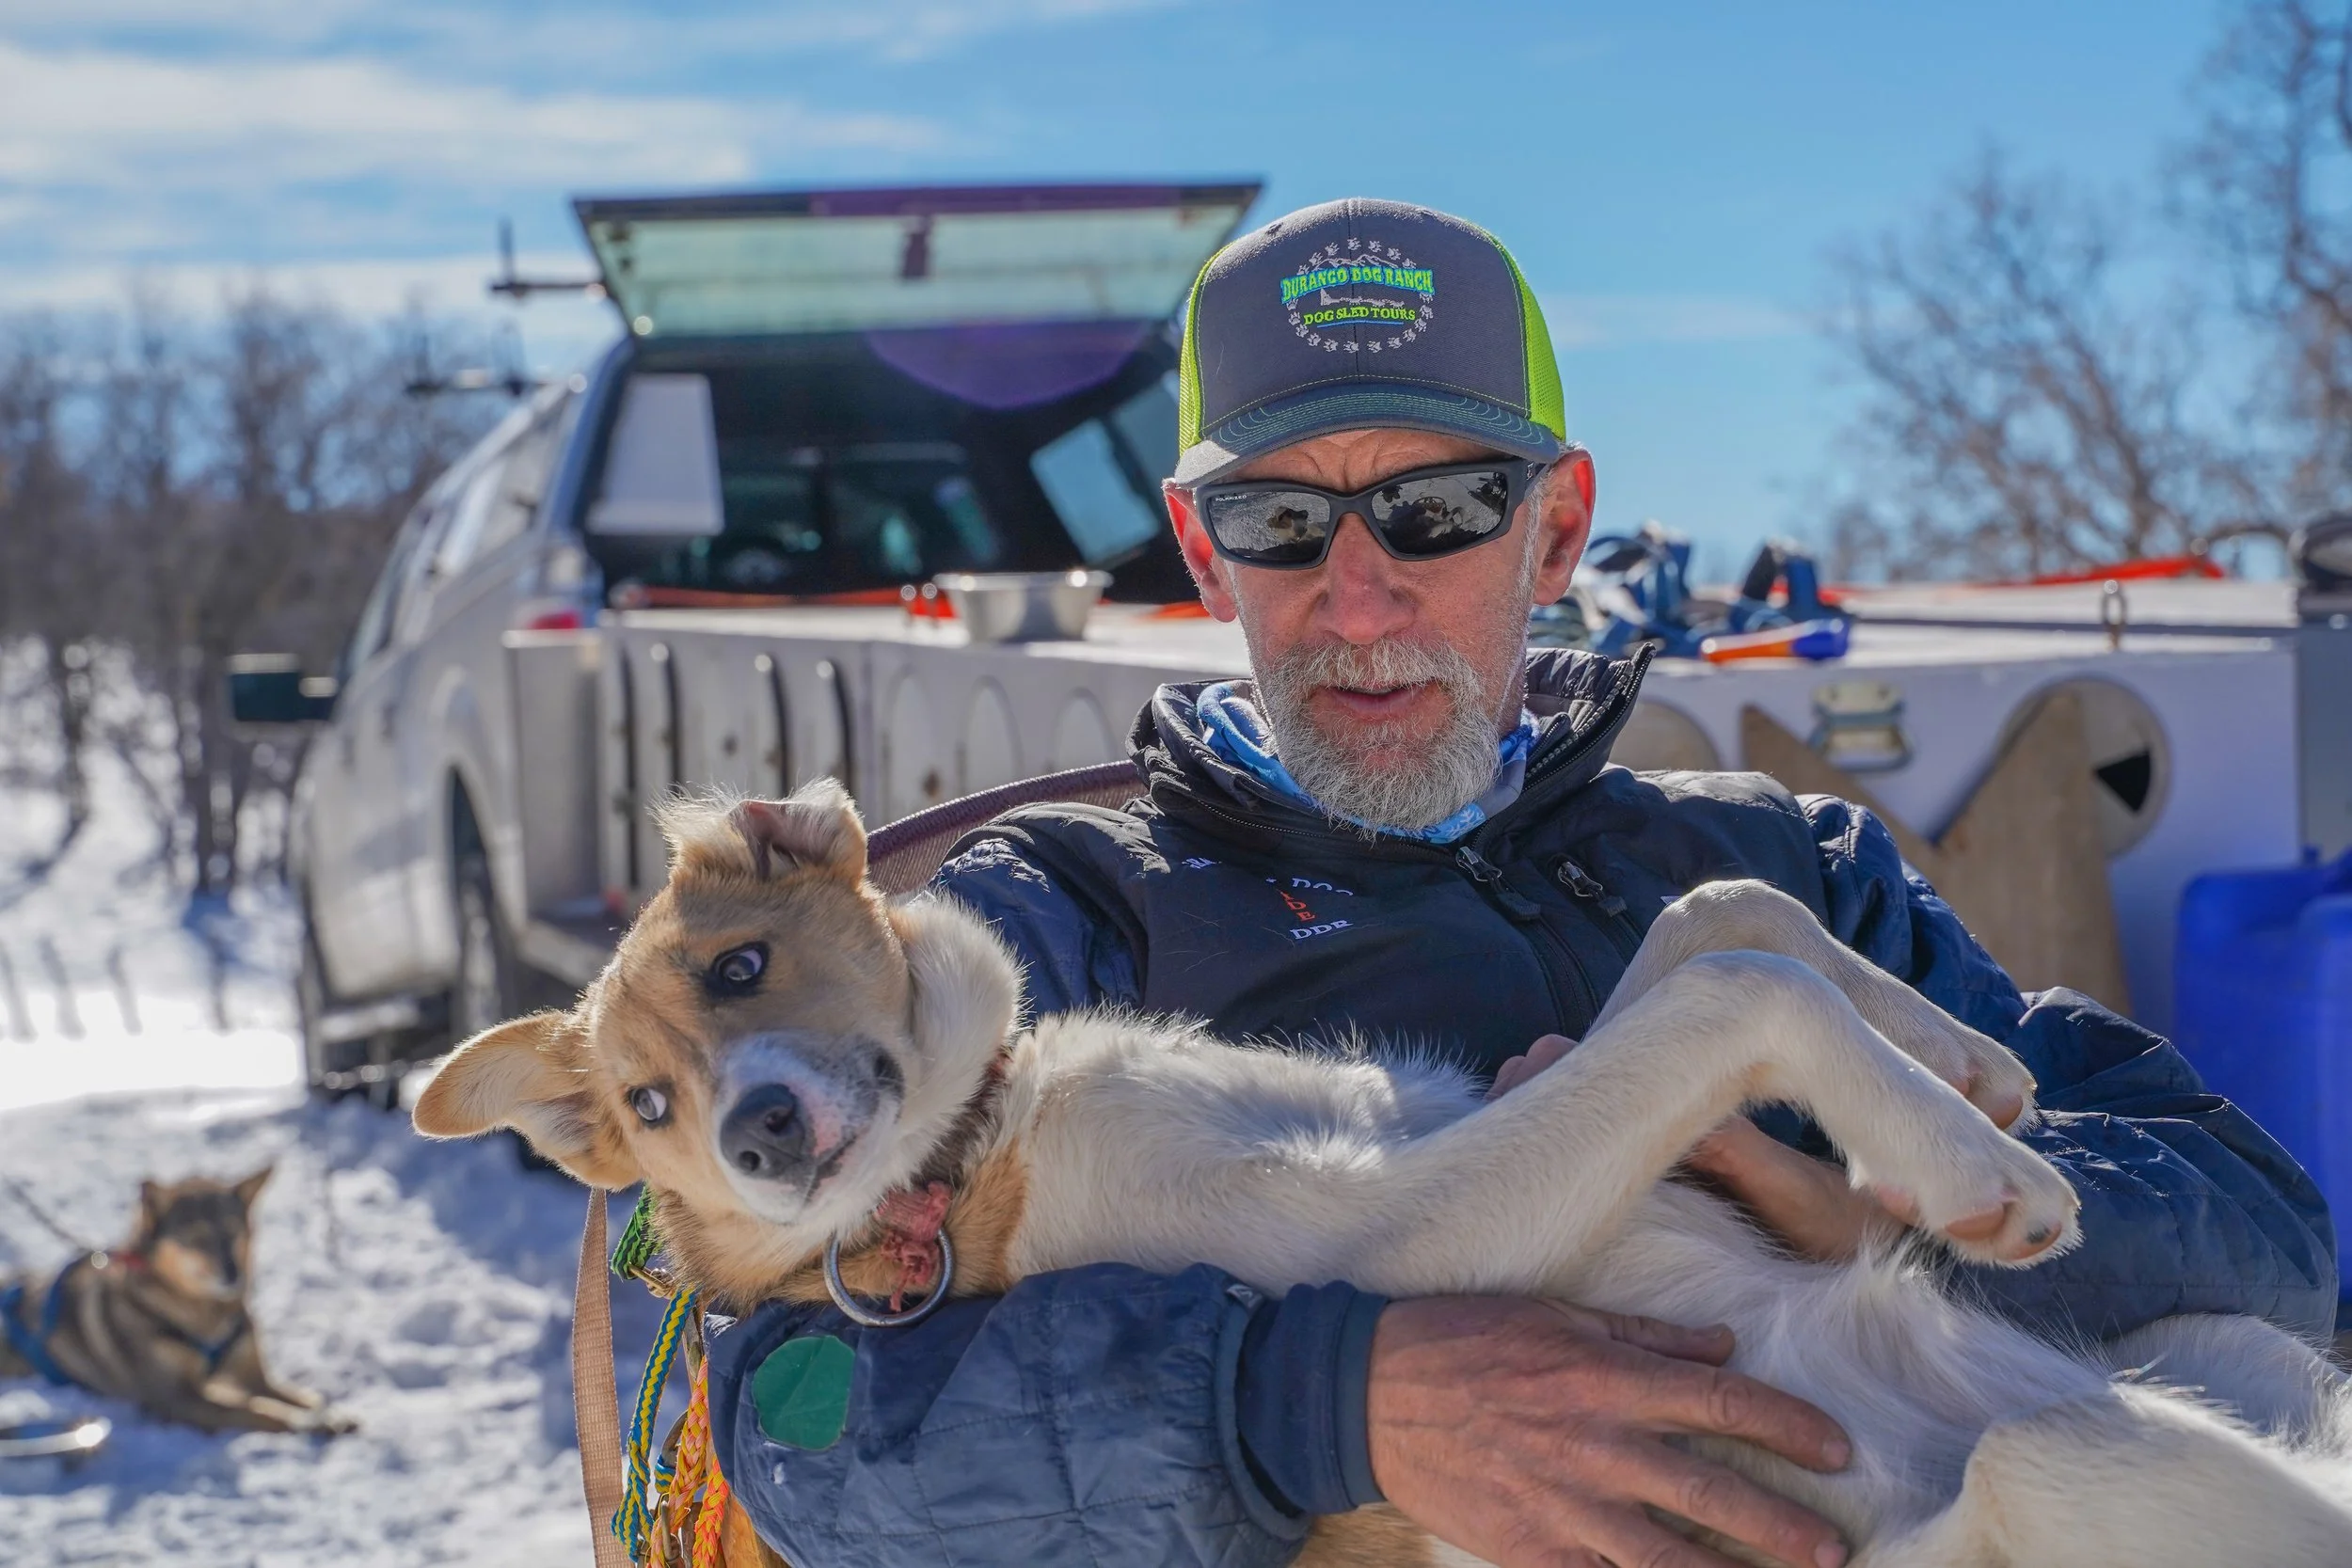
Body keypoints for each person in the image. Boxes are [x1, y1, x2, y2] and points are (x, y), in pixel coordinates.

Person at [706, 198, 2336, 1568]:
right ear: (1203, 556)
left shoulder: (1772, 862)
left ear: (1557, 533)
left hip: (1936, 1446)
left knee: (2233, 1370)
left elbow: (2265, 1226)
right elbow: (800, 1423)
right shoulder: (1064, 924)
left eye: (1436, 507)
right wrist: (1323, 1404)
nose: (1357, 595)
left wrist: (1882, 1215)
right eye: (1281, 519)